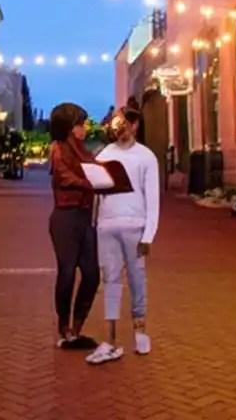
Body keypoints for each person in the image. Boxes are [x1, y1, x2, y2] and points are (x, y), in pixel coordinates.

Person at [85, 106, 160, 365]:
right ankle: (110, 339)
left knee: (137, 278)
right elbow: (97, 189)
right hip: (107, 225)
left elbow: (153, 198)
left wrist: (149, 234)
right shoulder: (105, 154)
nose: (121, 128)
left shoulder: (146, 157)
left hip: (135, 225)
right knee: (111, 281)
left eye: (125, 124)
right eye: (117, 124)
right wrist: (95, 222)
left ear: (135, 125)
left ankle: (140, 329)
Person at [47, 102, 100, 350]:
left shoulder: (83, 150)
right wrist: (90, 183)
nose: (85, 128)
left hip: (84, 216)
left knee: (91, 273)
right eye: (81, 124)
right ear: (70, 127)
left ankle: (77, 327)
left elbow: (94, 170)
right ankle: (64, 327)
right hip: (65, 217)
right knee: (67, 272)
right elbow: (64, 177)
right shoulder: (58, 150)